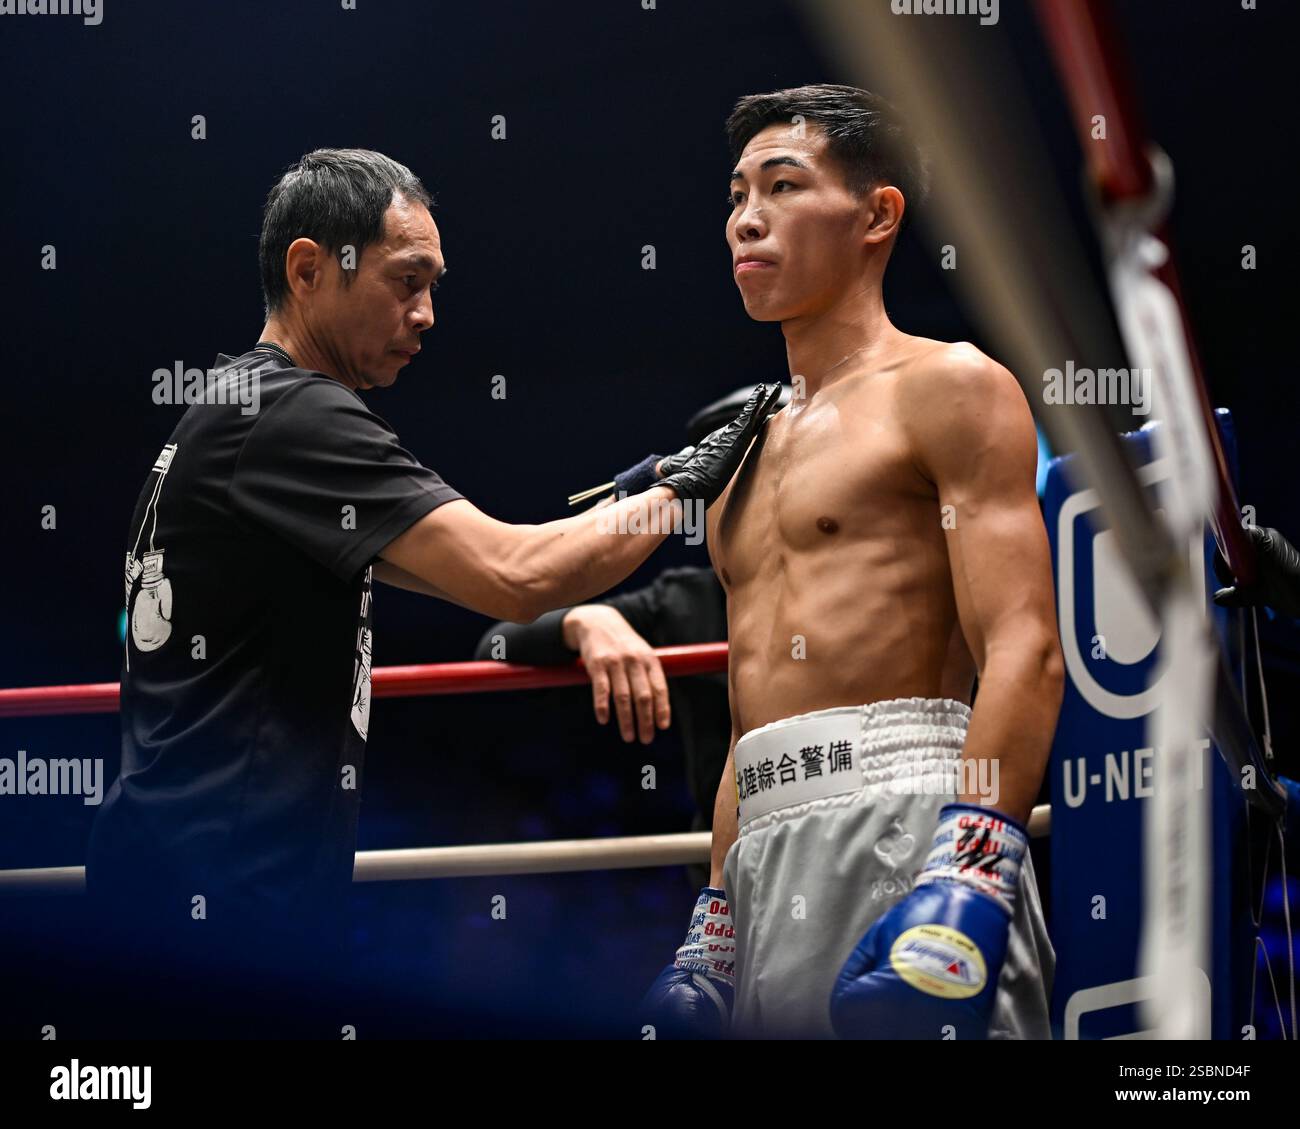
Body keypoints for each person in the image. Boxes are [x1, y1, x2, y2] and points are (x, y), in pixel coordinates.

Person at [86, 147, 778, 1037]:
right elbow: (519, 576)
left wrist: (637, 486)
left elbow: (506, 570)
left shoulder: (233, 408)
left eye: (434, 285)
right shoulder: (295, 415)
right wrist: (681, 492)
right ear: (309, 269)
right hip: (221, 897)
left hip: (187, 882)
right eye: (406, 280)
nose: (426, 314)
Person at [642, 85, 1062, 1039]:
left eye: (783, 186)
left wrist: (974, 865)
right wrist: (715, 919)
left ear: (877, 214)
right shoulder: (741, 453)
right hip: (763, 856)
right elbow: (756, 714)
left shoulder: (949, 385)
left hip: (914, 816)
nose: (747, 218)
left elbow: (1024, 645)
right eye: (738, 194)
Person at [475, 388, 789, 888]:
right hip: (727, 867)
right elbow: (501, 639)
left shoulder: (869, 582)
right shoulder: (684, 598)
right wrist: (585, 621)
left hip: (859, 826)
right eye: (732, 488)